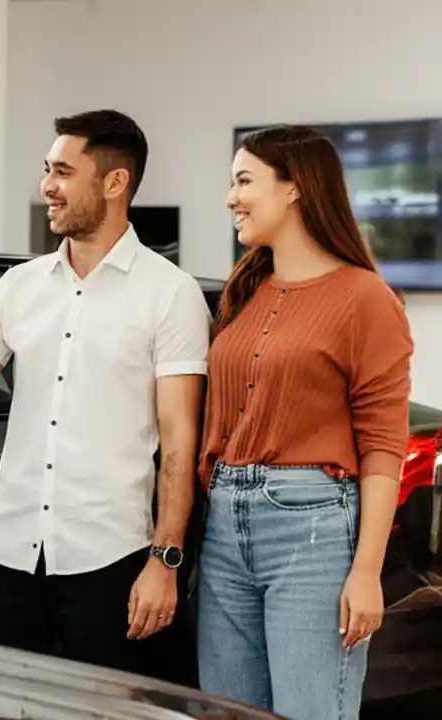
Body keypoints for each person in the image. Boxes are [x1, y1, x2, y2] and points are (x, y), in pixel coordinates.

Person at [0, 109, 210, 676]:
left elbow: (180, 440)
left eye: (62, 171)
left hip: (111, 559)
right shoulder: (19, 287)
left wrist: (166, 560)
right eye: (47, 170)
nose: (47, 187)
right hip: (7, 552)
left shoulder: (170, 294)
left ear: (114, 182)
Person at [196, 125, 413, 719]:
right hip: (223, 526)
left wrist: (366, 571)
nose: (230, 197)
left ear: (295, 189)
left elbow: (383, 445)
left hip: (312, 530)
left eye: (245, 181)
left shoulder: (365, 298)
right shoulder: (244, 291)